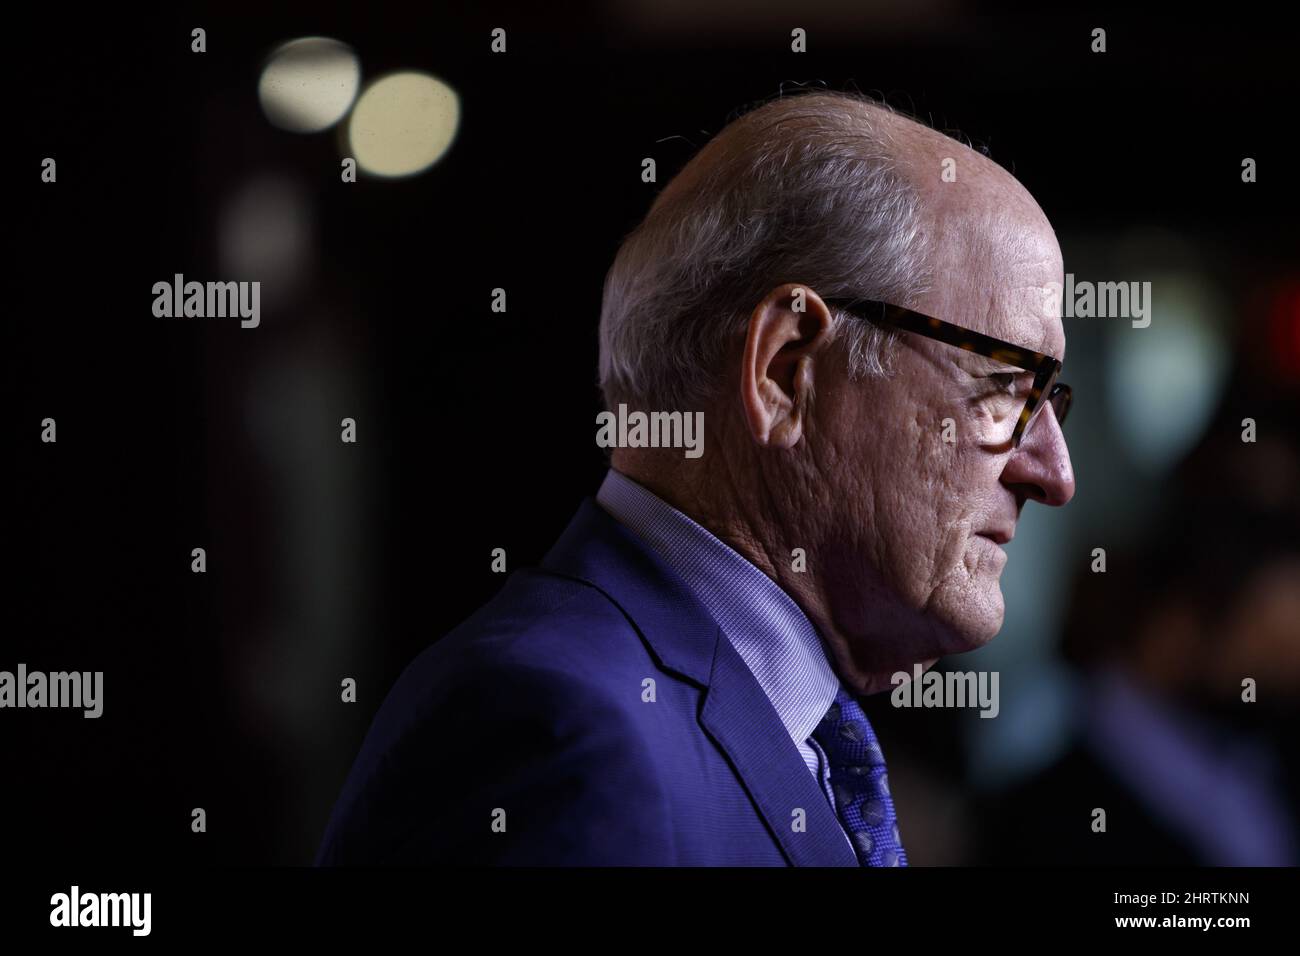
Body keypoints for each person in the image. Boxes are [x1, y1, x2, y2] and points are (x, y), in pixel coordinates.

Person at [316, 89, 1076, 866]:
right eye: (1005, 384)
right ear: (785, 372)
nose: (1054, 473)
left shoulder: (756, 718)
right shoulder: (565, 729)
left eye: (1054, 403)